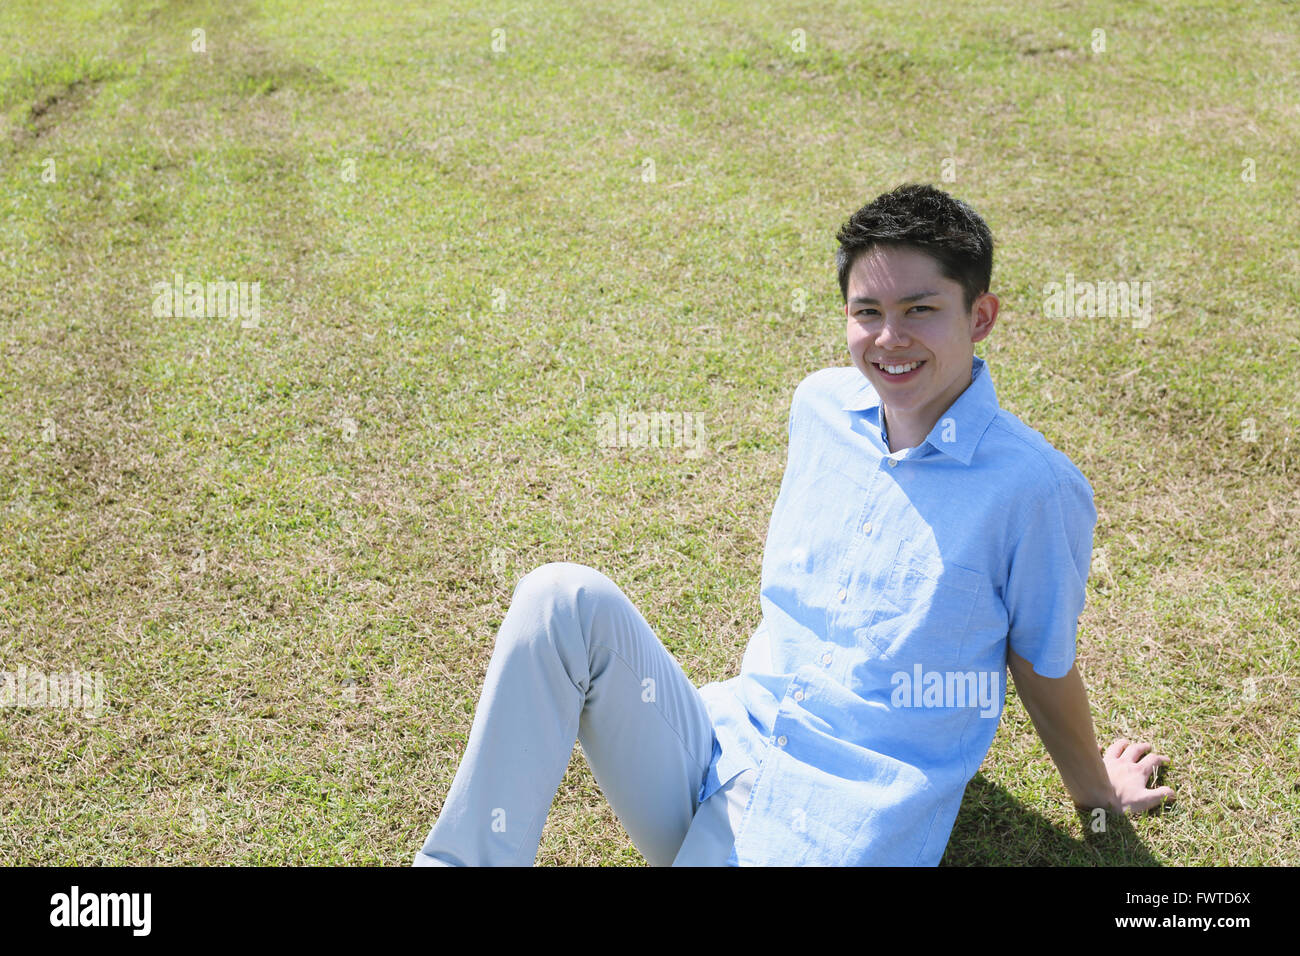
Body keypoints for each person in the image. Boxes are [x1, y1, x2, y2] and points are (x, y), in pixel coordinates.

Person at [412, 183, 1175, 867]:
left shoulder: (1035, 489)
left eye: (921, 310)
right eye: (867, 312)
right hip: (720, 743)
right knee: (561, 597)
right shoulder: (820, 407)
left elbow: (1040, 662)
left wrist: (1096, 795)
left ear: (980, 317)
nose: (889, 339)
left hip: (836, 819)